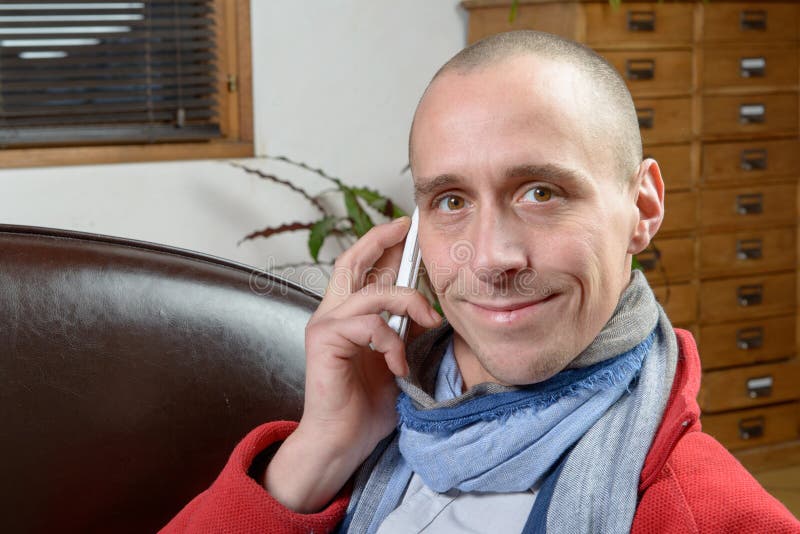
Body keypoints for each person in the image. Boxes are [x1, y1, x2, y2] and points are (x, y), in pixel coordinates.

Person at [163, 31, 799, 533]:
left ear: (643, 209)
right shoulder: (363, 426)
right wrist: (321, 451)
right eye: (451, 200)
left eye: (541, 192)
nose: (493, 257)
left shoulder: (706, 514)